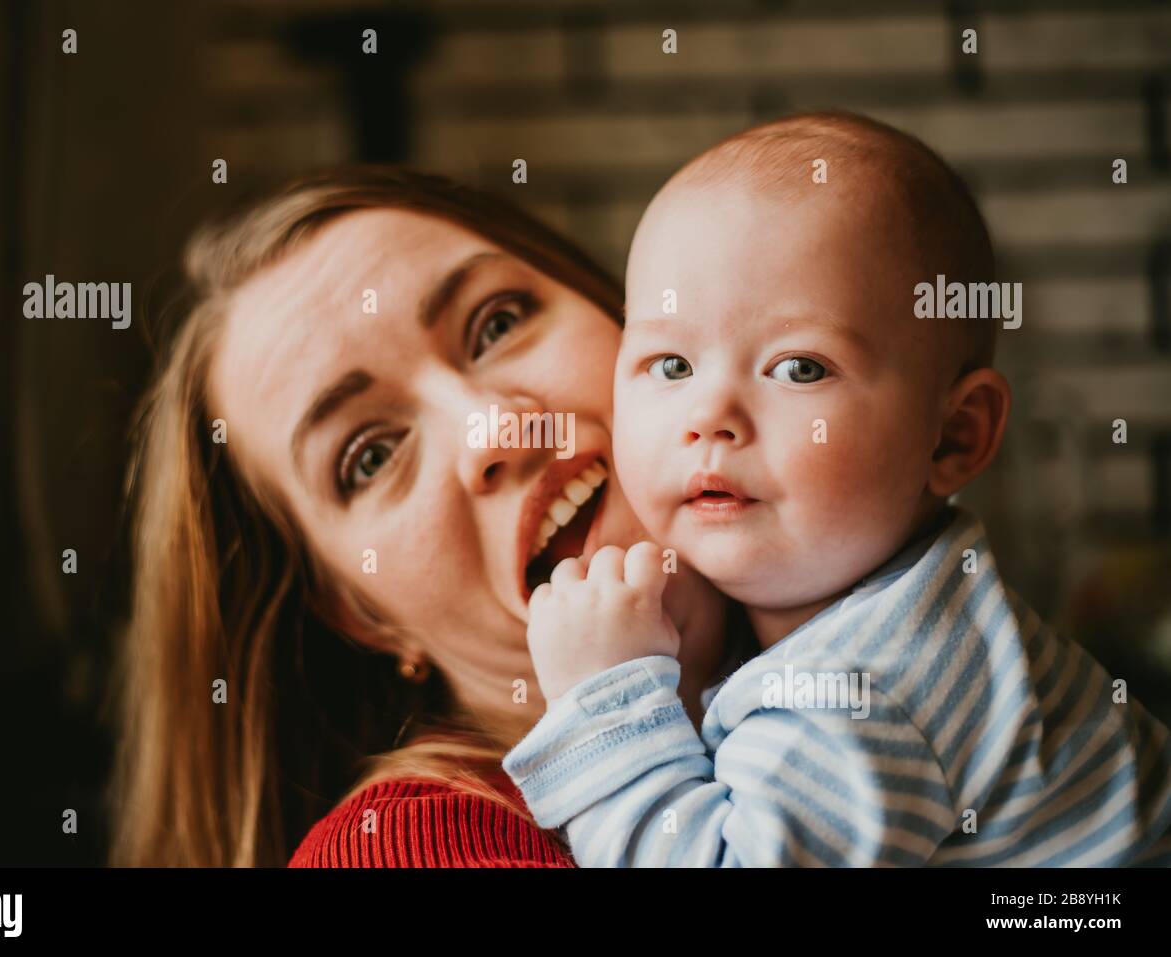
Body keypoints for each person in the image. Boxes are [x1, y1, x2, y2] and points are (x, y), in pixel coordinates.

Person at [503, 112, 1171, 866]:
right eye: (672, 365)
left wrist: (605, 702)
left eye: (800, 368)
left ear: (953, 435)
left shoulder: (861, 687)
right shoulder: (905, 597)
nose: (709, 416)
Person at [108, 167, 742, 867]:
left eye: (497, 322)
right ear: (360, 612)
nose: (496, 429)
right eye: (371, 456)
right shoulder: (400, 850)